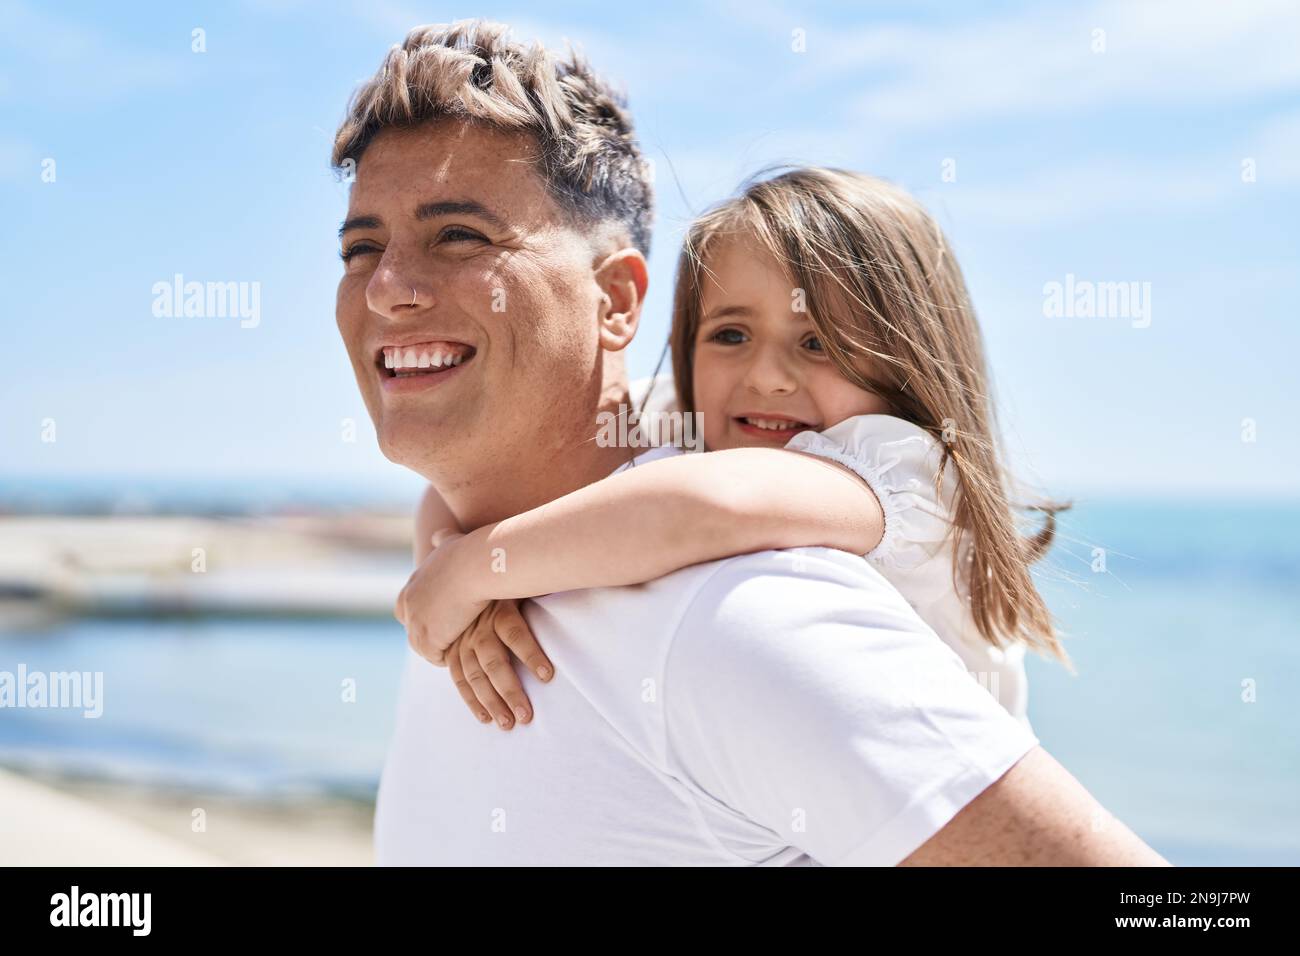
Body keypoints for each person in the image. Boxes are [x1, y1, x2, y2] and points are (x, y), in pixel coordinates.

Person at [334, 19, 1168, 865]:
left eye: (459, 236)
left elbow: (703, 508)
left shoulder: (756, 597)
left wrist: (476, 568)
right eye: (360, 249)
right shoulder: (604, 491)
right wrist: (452, 562)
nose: (388, 290)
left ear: (619, 302)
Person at [398, 167, 1074, 737]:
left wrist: (475, 571)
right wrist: (457, 583)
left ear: (906, 362)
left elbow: (704, 508)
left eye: (818, 343)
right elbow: (485, 474)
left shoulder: (907, 470)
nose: (767, 376)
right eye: (729, 335)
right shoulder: (693, 413)